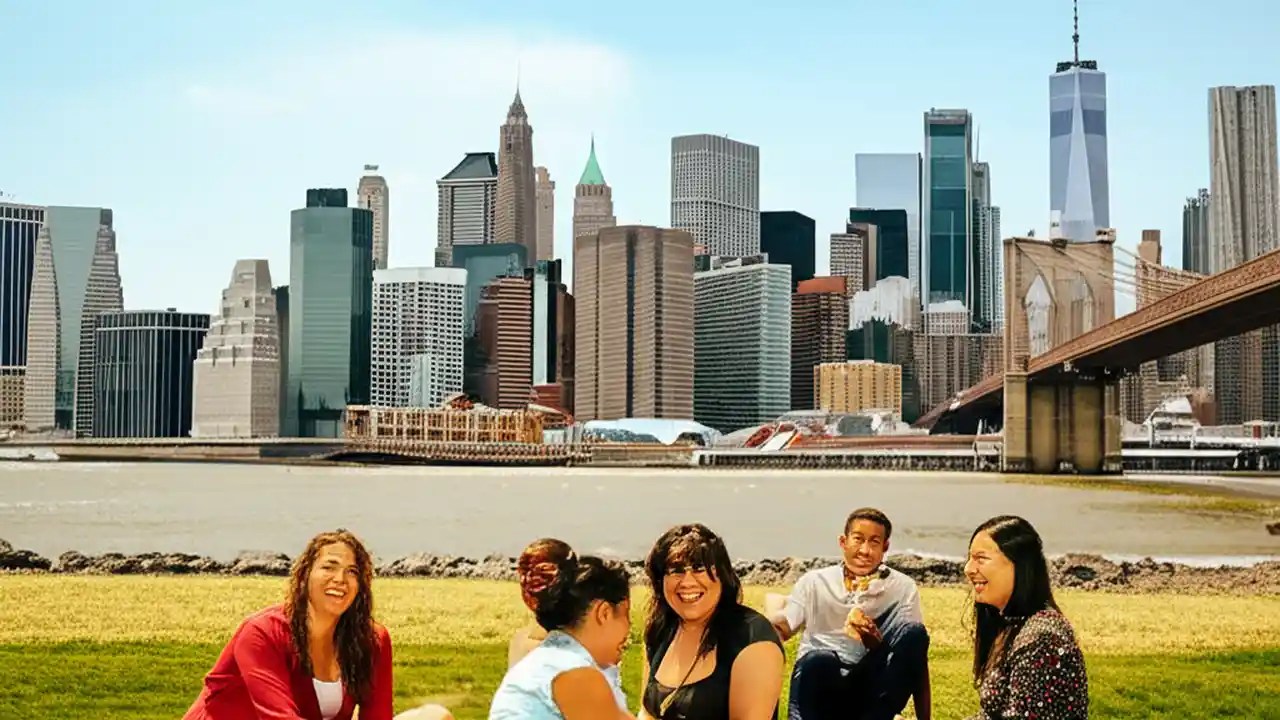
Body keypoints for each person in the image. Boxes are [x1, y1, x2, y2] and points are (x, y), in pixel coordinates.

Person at [183, 529, 403, 720]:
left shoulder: (372, 640)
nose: (340, 579)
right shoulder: (262, 633)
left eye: (352, 571)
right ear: (305, 575)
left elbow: (378, 715)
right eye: (329, 567)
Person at [765, 508, 931, 720]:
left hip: (870, 688)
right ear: (843, 542)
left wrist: (925, 718)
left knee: (915, 631)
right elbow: (784, 626)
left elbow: (914, 654)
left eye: (874, 542)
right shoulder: (815, 582)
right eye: (858, 540)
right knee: (820, 659)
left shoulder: (902, 588)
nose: (865, 550)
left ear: (885, 547)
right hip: (818, 684)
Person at [639, 523, 784, 720]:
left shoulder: (752, 639)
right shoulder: (661, 629)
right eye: (676, 570)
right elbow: (647, 712)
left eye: (699, 568)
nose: (687, 582)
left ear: (722, 576)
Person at [489, 539, 635, 719]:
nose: (630, 627)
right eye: (626, 615)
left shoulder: (550, 662)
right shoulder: (576, 675)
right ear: (603, 613)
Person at [963, 515, 1088, 720]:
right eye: (969, 558)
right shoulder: (1014, 625)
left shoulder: (1041, 640)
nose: (968, 569)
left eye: (981, 559)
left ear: (1019, 565)